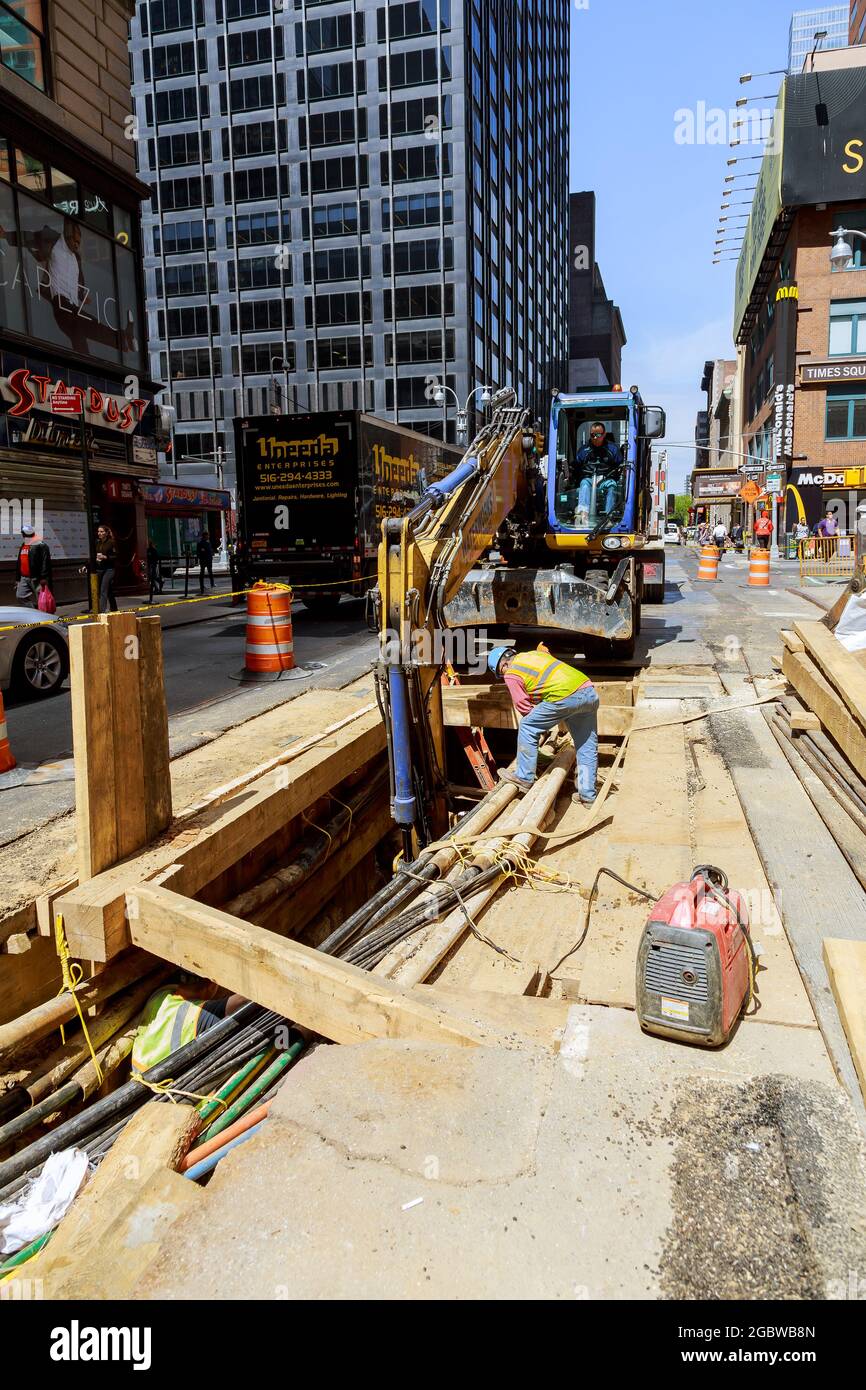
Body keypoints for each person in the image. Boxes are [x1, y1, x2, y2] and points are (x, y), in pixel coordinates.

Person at [488, 645, 599, 806]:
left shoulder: (511, 673)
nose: (504, 675)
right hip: (588, 691)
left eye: (501, 672)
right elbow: (546, 660)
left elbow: (524, 708)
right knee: (586, 745)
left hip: (564, 696)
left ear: (503, 666)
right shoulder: (533, 655)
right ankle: (587, 796)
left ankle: (524, 776)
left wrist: (541, 722)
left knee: (527, 726)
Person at [132, 982, 248, 1074]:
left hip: (137, 1080)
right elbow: (242, 1000)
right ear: (212, 986)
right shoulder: (197, 1014)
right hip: (169, 1093)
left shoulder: (161, 997)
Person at [571, 422, 623, 525]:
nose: (595, 437)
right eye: (592, 435)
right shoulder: (583, 450)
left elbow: (620, 465)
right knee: (584, 484)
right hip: (589, 478)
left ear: (604, 434)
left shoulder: (612, 449)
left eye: (598, 435)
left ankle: (608, 518)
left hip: (606, 479)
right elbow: (575, 465)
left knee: (612, 486)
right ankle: (583, 515)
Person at [14, 524, 52, 608]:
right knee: (20, 596)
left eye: (23, 533)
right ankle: (33, 612)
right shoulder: (24, 544)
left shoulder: (40, 544)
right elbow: (19, 562)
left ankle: (46, 618)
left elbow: (45, 561)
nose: (22, 535)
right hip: (24, 578)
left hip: (36, 577)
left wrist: (43, 577)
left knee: (42, 599)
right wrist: (17, 579)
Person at [96, 524, 118, 612]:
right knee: (108, 590)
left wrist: (106, 557)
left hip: (109, 569)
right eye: (98, 531)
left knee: (103, 590)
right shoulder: (97, 543)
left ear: (106, 533)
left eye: (101, 531)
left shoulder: (111, 542)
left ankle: (102, 611)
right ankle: (114, 608)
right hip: (100, 568)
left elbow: (116, 555)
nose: (99, 533)